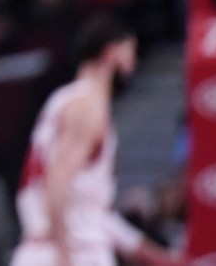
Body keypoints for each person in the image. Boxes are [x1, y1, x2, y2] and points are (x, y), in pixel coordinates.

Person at [11, 18, 183, 266]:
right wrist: (64, 255)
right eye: (130, 50)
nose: (134, 61)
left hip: (43, 247)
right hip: (74, 251)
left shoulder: (62, 100)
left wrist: (154, 255)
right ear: (111, 53)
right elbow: (56, 183)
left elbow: (91, 211)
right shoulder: (89, 106)